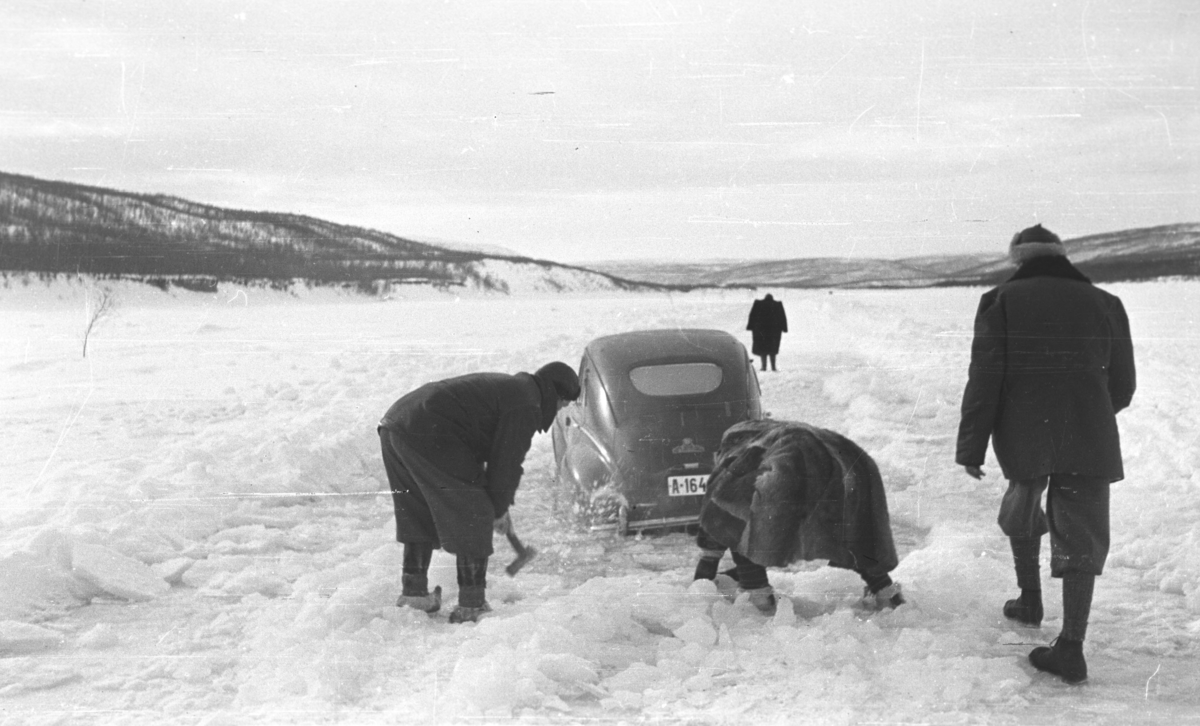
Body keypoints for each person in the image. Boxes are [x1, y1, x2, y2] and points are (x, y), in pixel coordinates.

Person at [956, 224, 1135, 684]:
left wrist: (972, 444)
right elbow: (1123, 384)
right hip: (1089, 432)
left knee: (1022, 504)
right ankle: (1071, 646)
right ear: (1061, 255)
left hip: (1025, 430)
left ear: (1018, 259)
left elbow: (985, 378)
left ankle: (1029, 598)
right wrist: (1089, 413)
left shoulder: (1000, 300)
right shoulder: (1106, 302)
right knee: (1083, 532)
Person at [377, 361, 581, 623]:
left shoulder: (515, 390)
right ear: (554, 394)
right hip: (429, 429)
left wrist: (500, 505)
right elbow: (505, 464)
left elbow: (482, 453)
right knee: (476, 510)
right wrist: (496, 509)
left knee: (418, 510)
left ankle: (414, 593)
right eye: (563, 403)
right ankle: (472, 605)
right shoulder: (526, 404)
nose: (561, 409)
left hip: (396, 425)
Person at [692, 419, 905, 615]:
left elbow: (723, 517)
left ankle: (758, 597)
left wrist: (703, 579)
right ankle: (887, 593)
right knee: (853, 529)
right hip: (852, 461)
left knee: (743, 523)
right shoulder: (764, 434)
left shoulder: (736, 455)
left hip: (792, 464)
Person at [746, 293, 788, 371]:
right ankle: (773, 367)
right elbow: (782, 317)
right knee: (772, 350)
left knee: (763, 350)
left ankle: (764, 367)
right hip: (774, 332)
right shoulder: (777, 305)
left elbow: (752, 316)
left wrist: (750, 327)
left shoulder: (758, 304)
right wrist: (784, 328)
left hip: (762, 331)